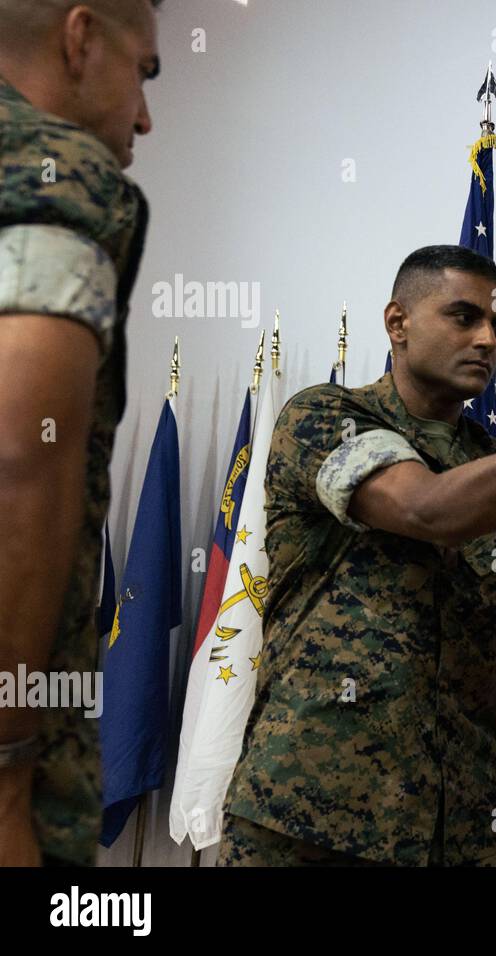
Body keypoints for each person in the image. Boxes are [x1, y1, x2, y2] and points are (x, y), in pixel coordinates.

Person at [220, 245, 496, 866]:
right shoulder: (324, 417)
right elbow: (430, 509)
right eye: (463, 317)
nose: (487, 340)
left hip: (458, 827)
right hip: (309, 818)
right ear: (398, 323)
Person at [0, 0, 160, 867]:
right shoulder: (55, 170)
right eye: (145, 70)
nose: (143, 113)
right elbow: (19, 459)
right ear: (80, 36)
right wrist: (5, 780)